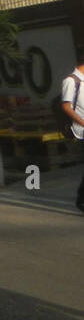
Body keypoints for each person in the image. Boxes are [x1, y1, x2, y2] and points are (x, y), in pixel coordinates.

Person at [60, 49, 84, 213]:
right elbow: (66, 107)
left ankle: (81, 198)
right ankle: (82, 199)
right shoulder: (71, 80)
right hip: (81, 129)